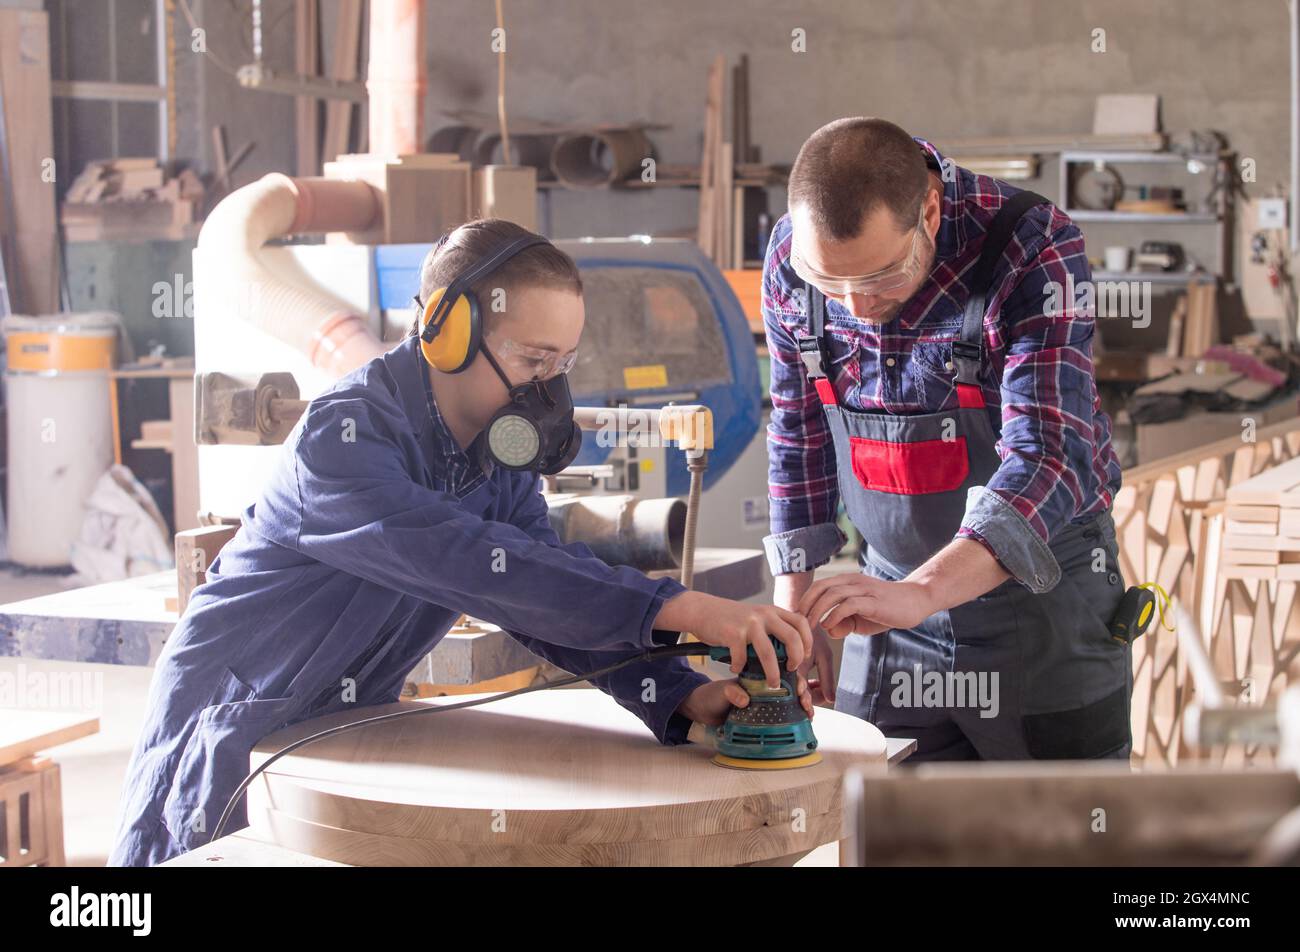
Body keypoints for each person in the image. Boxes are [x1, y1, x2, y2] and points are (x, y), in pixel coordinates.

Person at [110, 219, 813, 866]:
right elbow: (475, 565)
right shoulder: (343, 439)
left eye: (563, 365)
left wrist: (677, 693)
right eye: (533, 360)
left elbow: (546, 597)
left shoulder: (495, 457)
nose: (549, 389)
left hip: (345, 732)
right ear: (446, 330)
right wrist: (688, 609)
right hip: (227, 732)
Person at [762, 117, 1130, 761]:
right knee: (883, 828)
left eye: (879, 278)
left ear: (929, 213)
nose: (854, 304)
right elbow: (798, 432)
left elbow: (1049, 456)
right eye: (830, 285)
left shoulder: (1030, 243)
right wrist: (794, 605)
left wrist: (924, 592)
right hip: (889, 611)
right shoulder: (793, 256)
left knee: (1067, 831)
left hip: (1043, 608)